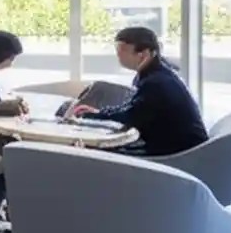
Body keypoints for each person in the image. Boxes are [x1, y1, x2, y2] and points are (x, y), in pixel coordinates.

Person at [71, 26, 208, 156]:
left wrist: (93, 115)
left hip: (179, 154)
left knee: (94, 152)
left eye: (122, 50)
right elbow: (134, 108)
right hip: (175, 147)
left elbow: (131, 116)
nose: (118, 54)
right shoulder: (156, 74)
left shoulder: (157, 83)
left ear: (144, 55)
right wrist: (98, 113)